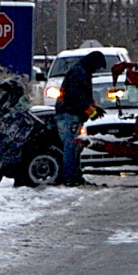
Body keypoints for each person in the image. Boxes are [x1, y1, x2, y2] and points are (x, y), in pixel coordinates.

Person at [53, 51, 106, 186]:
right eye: (98, 67)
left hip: (71, 114)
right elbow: (76, 96)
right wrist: (90, 111)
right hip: (69, 114)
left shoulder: (82, 71)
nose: (97, 70)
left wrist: (93, 107)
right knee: (71, 146)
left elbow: (84, 95)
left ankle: (75, 176)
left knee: (75, 146)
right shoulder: (79, 73)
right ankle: (70, 177)